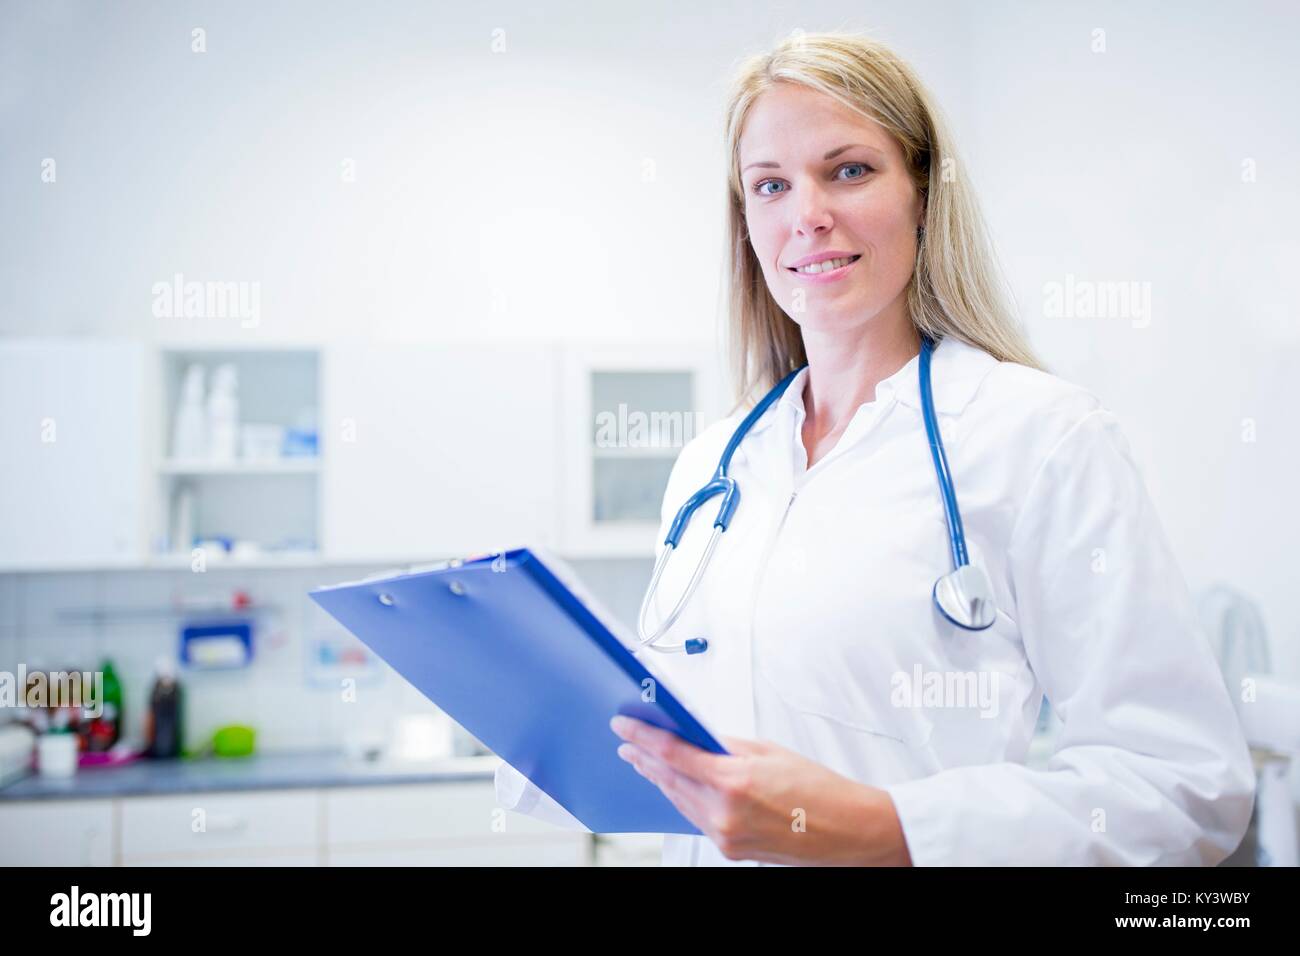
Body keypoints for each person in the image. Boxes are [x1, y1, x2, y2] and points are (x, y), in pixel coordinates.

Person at [497, 30, 1254, 866]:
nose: (807, 215)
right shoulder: (714, 466)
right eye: (770, 185)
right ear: (745, 220)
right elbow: (682, 762)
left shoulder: (1039, 438)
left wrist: (885, 829)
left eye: (849, 170)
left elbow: (1183, 786)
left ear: (925, 194)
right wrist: (519, 677)